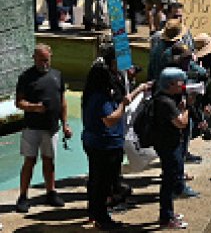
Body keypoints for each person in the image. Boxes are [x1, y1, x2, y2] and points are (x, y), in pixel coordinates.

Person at [82, 50, 151, 231]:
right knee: (103, 183)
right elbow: (110, 119)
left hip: (96, 142)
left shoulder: (91, 94)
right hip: (105, 144)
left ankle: (94, 213)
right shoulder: (101, 96)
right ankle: (101, 217)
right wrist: (123, 104)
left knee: (96, 180)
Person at [14, 44, 69, 213]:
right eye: (40, 60)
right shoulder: (25, 77)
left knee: (49, 160)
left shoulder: (57, 75)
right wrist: (34, 107)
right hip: (32, 128)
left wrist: (65, 124)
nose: (44, 63)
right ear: (34, 58)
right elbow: (19, 102)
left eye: (46, 60)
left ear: (50, 57)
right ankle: (23, 196)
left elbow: (62, 101)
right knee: (29, 161)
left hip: (51, 127)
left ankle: (51, 192)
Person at [152, 67, 192, 229]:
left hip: (167, 143)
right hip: (168, 145)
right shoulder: (165, 102)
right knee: (169, 180)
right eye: (179, 82)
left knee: (171, 177)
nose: (182, 85)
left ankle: (168, 213)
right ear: (170, 84)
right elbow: (181, 123)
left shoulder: (164, 98)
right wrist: (187, 108)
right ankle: (166, 217)